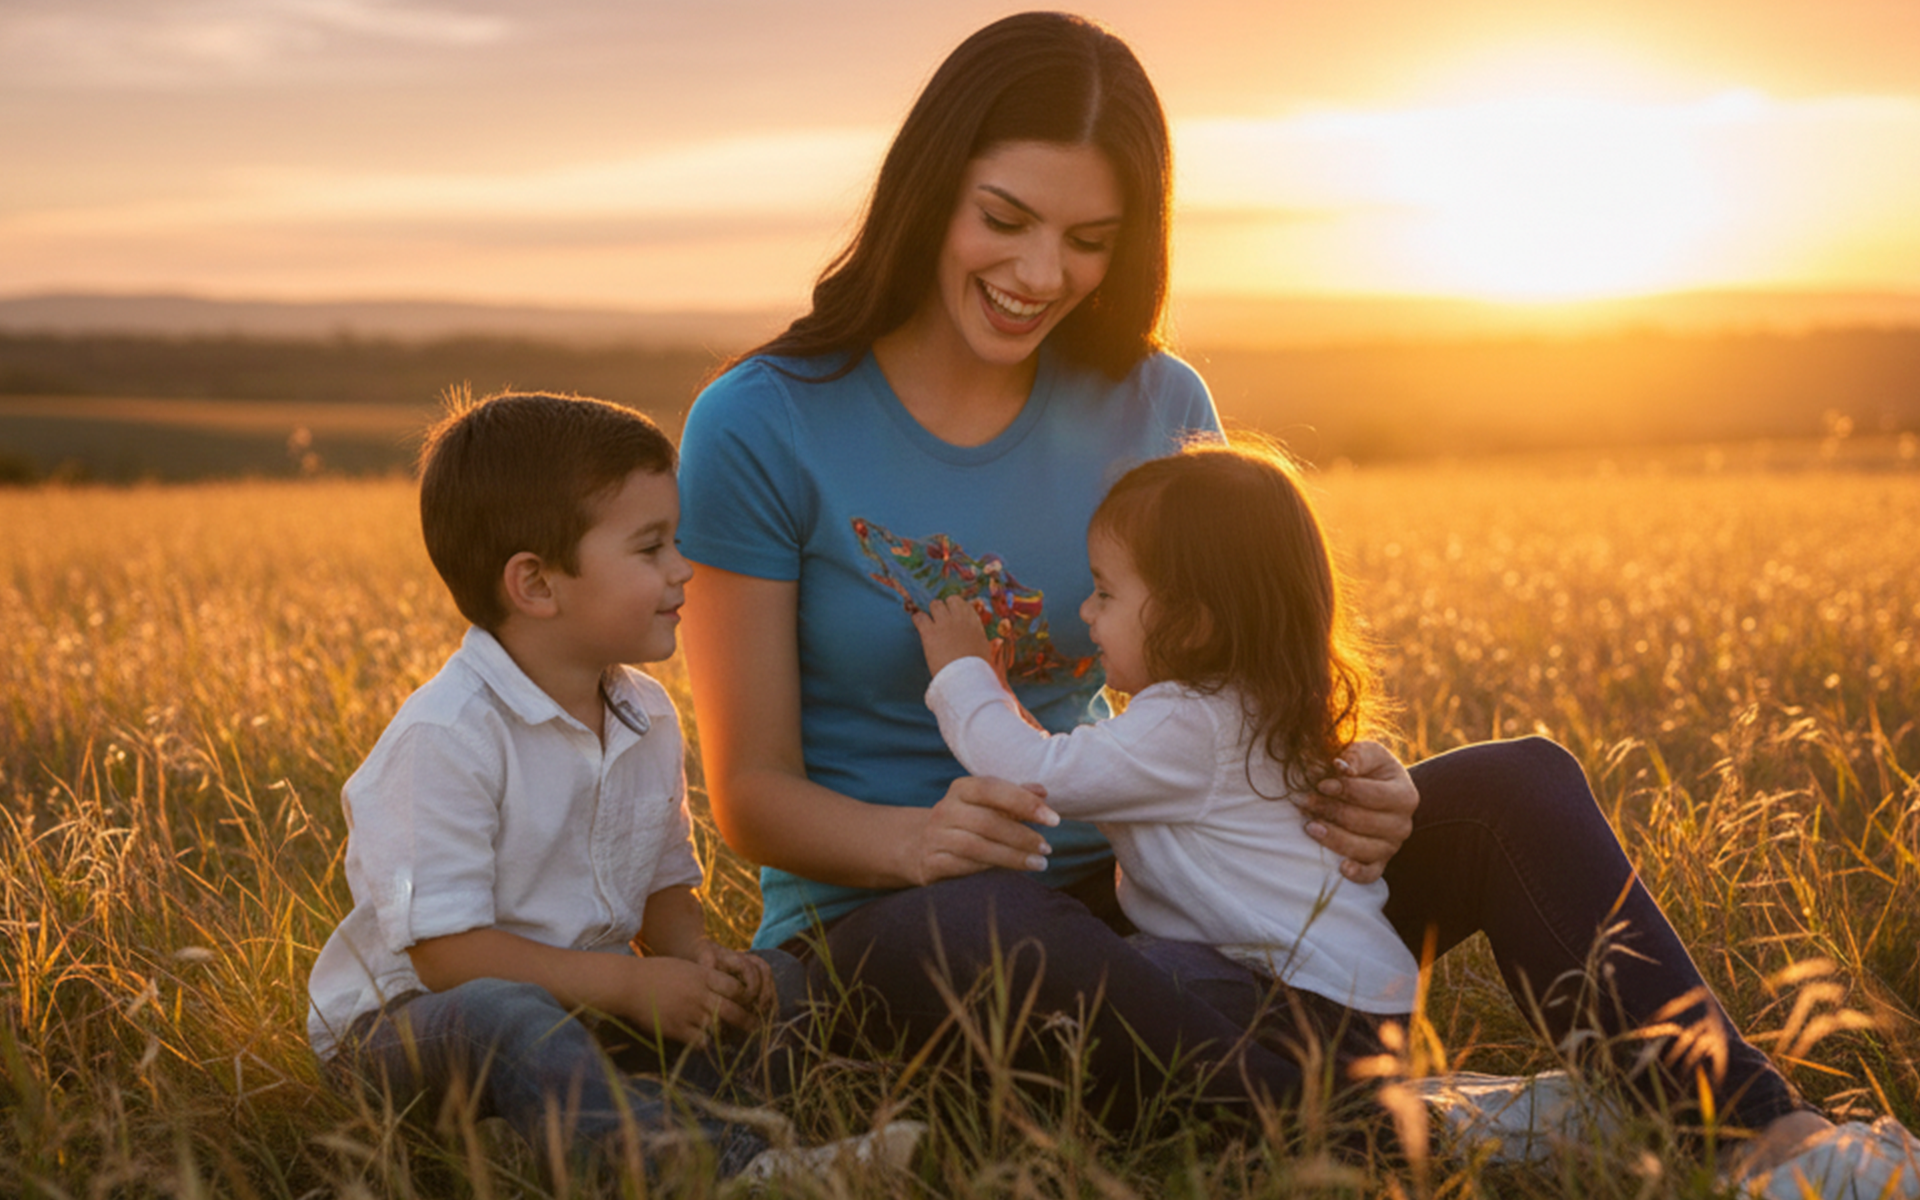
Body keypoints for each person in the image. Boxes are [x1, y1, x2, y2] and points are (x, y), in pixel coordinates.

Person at [676, 7, 1899, 1184]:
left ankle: (1766, 1144)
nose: (1041, 272)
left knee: (1516, 788)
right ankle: (1412, 1138)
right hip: (907, 923)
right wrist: (915, 839)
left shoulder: (1156, 403)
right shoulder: (763, 422)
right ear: (929, 187)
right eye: (1005, 217)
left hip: (1174, 888)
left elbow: (1240, 672)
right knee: (996, 920)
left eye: (1091, 240)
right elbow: (753, 796)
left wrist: (1344, 776)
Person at [305, 391, 918, 1185]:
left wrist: (696, 961)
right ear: (536, 585)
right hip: (409, 1035)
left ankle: (577, 1127)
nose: (682, 568)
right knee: (507, 1019)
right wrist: (630, 983)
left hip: (579, 1007)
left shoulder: (644, 714)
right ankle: (724, 1173)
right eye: (650, 548)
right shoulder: (445, 736)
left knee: (785, 985)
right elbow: (449, 955)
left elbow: (662, 884)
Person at [913, 440, 1417, 1091]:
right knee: (1139, 973)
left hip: (1309, 1006)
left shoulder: (1189, 722)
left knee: (1125, 983)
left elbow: (1033, 773)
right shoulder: (1243, 703)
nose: (1087, 613)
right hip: (1354, 1000)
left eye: (1105, 593)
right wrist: (1008, 701)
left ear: (1191, 625)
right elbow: (1087, 765)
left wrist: (963, 673)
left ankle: (1363, 1114)